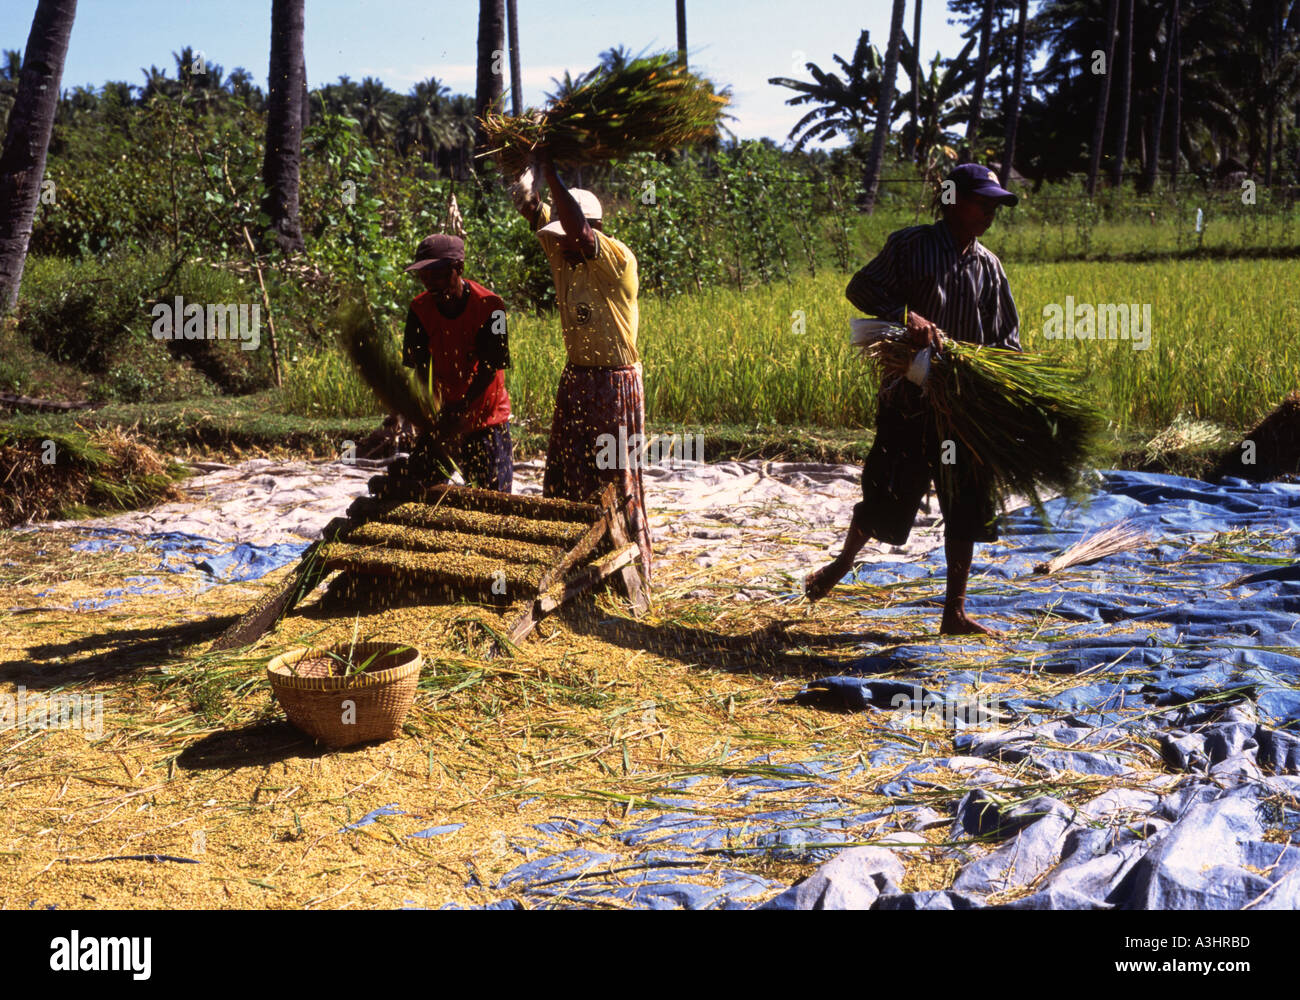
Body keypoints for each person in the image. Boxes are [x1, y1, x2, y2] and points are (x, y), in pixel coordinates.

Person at [805, 163, 1022, 636]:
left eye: (994, 205)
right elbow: (860, 288)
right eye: (980, 201)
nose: (989, 211)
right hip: (910, 400)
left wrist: (1008, 383)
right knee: (888, 495)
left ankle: (955, 612)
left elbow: (1007, 340)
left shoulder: (989, 266)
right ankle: (841, 564)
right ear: (950, 199)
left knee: (965, 505)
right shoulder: (910, 245)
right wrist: (906, 316)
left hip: (964, 411)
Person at [511, 152, 652, 583]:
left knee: (615, 477)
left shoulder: (615, 259)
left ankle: (625, 563)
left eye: (568, 235)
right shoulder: (563, 253)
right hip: (577, 378)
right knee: (566, 470)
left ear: (592, 231)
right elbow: (532, 207)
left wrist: (553, 169)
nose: (558, 242)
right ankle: (566, 558)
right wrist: (523, 161)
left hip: (613, 383)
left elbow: (575, 227)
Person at [401, 233, 514, 493]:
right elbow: (421, 366)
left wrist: (461, 408)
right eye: (424, 275)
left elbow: (490, 367)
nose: (429, 282)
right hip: (444, 417)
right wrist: (435, 408)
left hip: (485, 417)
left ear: (458, 269)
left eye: (437, 274)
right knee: (416, 488)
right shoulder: (419, 309)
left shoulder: (491, 306)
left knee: (491, 497)